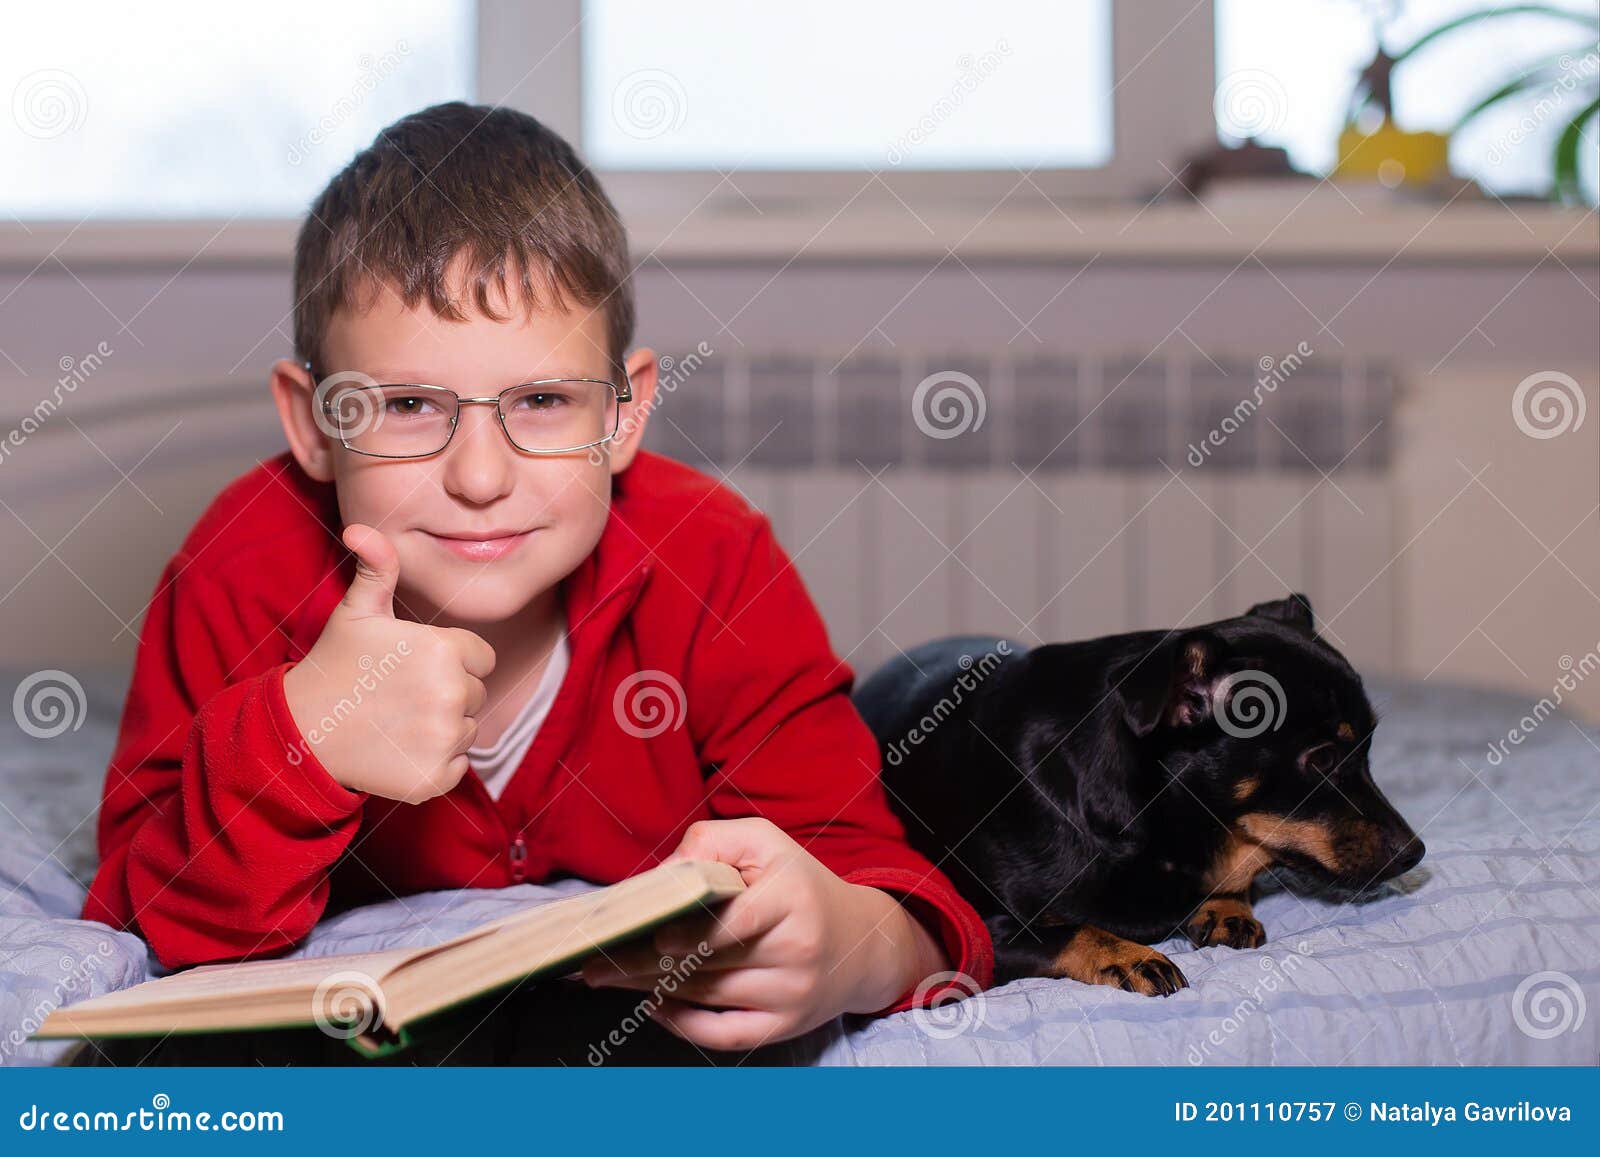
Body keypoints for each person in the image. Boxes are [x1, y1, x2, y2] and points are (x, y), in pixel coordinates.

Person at [81, 101, 993, 1054]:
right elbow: (143, 913)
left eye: (545, 399)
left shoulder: (715, 559)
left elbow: (884, 881)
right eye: (407, 404)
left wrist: (857, 946)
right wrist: (297, 741)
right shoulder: (238, 572)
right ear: (314, 425)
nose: (481, 478)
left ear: (625, 414)